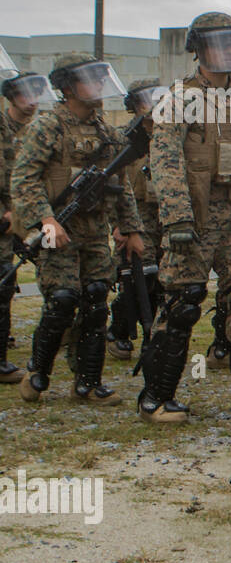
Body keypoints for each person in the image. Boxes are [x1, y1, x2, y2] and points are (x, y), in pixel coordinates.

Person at [139, 12, 231, 425]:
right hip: (194, 217)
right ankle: (156, 398)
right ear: (199, 49)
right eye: (223, 43)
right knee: (182, 303)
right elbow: (164, 160)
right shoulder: (179, 99)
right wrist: (177, 217)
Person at [10, 53, 145, 404]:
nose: (99, 85)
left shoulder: (107, 132)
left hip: (94, 230)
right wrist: (46, 220)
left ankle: (87, 382)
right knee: (62, 301)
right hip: (58, 228)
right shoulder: (47, 127)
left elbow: (121, 184)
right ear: (68, 87)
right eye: (91, 79)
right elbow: (24, 179)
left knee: (97, 300)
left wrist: (129, 228)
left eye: (101, 78)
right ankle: (38, 372)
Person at [107, 80, 166, 361]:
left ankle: (153, 332)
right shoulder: (123, 139)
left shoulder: (170, 135)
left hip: (163, 215)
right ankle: (118, 331)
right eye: (145, 101)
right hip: (134, 216)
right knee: (134, 276)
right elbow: (108, 184)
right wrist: (117, 224)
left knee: (159, 278)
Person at [0, 69, 52, 383]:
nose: (31, 102)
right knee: (3, 283)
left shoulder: (39, 130)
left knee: (59, 281)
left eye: (36, 95)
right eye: (24, 95)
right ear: (10, 97)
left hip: (33, 216)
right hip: (6, 218)